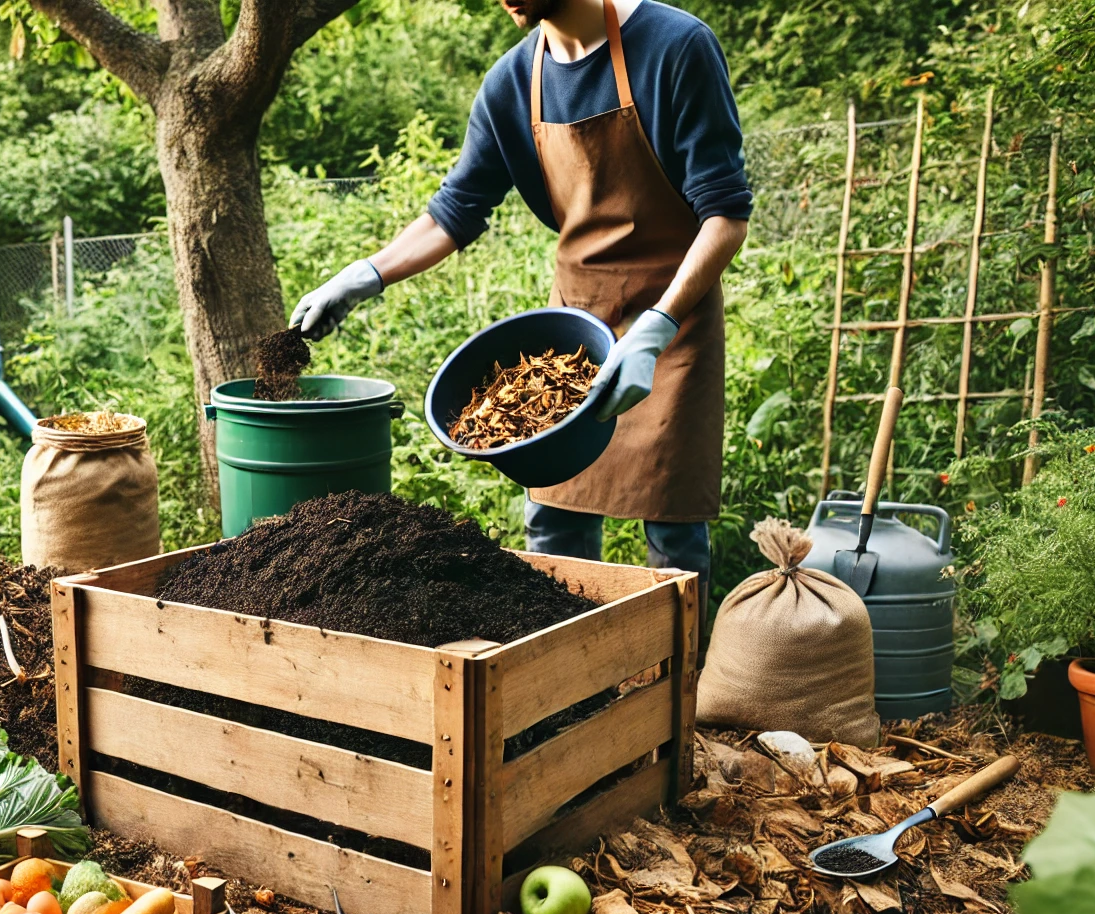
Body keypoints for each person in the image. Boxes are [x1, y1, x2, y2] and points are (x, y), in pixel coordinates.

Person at [290, 0, 751, 604]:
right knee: (554, 530)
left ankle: (671, 693)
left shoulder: (675, 47)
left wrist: (658, 326)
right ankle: (565, 693)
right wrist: (364, 274)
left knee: (673, 538)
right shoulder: (513, 82)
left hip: (674, 323)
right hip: (574, 334)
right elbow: (456, 210)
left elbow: (726, 216)